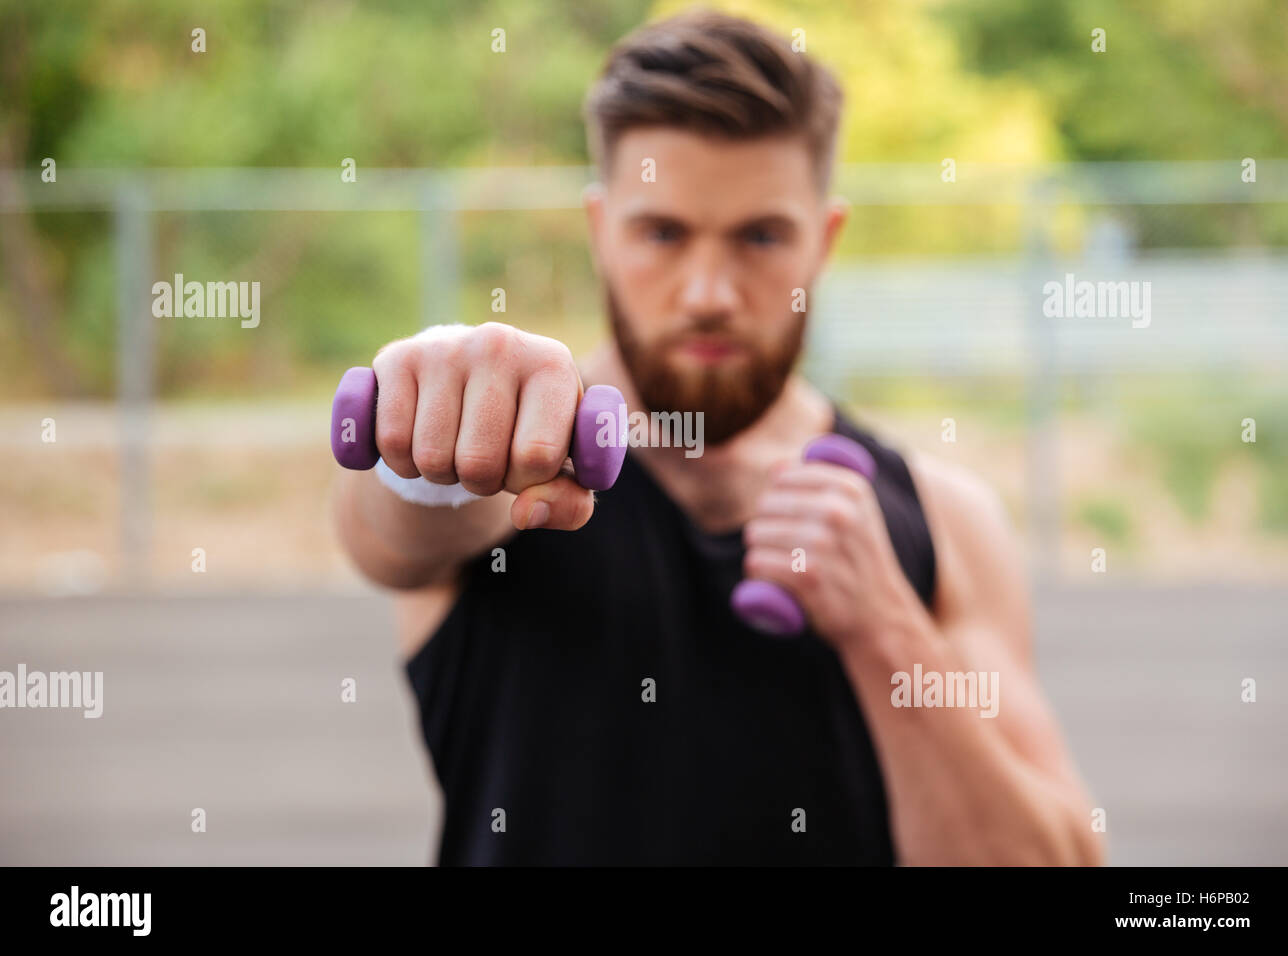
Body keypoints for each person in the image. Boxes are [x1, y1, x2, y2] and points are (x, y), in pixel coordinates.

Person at [334, 9, 1104, 866]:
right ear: (600, 231)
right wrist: (429, 456)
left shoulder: (942, 519)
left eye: (761, 236)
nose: (708, 291)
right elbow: (389, 539)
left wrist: (888, 633)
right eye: (662, 232)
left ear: (825, 240)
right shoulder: (507, 468)